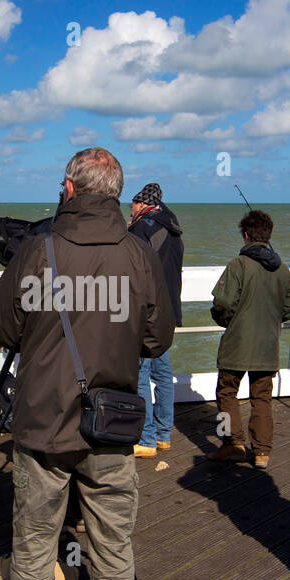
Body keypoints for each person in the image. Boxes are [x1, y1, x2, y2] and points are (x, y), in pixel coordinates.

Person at [0, 147, 174, 580]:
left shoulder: (37, 251)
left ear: (69, 189)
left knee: (34, 548)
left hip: (44, 427)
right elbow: (157, 339)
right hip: (111, 428)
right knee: (113, 550)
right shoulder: (139, 254)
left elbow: (2, 327)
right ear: (116, 193)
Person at [206, 210, 290, 469]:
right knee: (262, 396)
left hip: (238, 342)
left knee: (227, 391)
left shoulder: (238, 265)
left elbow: (223, 302)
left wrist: (227, 320)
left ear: (246, 235)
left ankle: (233, 443)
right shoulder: (282, 269)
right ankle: (261, 452)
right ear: (268, 235)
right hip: (268, 344)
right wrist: (272, 321)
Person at [127, 182, 184, 459]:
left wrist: (128, 232)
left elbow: (134, 268)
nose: (130, 209)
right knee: (163, 374)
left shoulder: (141, 227)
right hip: (170, 310)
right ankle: (164, 436)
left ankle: (146, 439)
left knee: (141, 374)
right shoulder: (173, 229)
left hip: (148, 311)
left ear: (141, 204)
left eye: (132, 205)